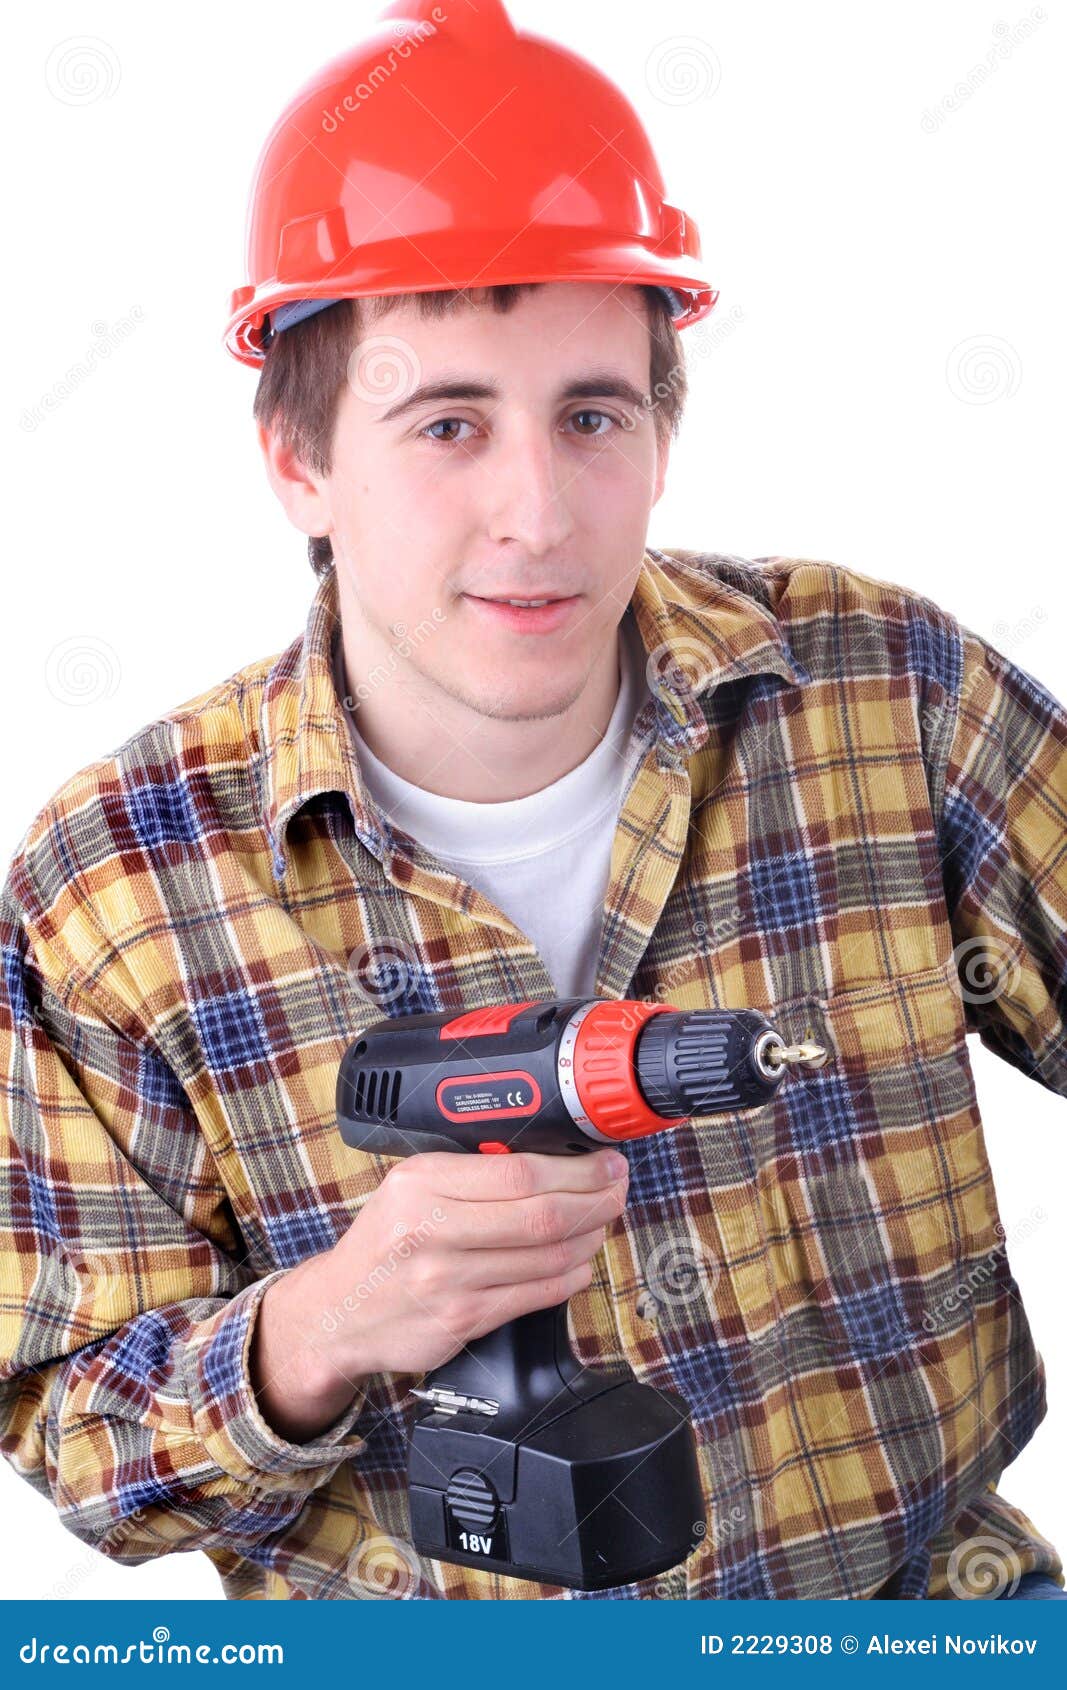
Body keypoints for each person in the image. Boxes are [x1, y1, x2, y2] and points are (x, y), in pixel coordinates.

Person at [1, 0, 1064, 1603]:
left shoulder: (878, 689)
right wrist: (321, 1325)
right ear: (296, 459)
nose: (539, 510)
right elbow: (69, 1423)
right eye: (448, 424)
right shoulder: (114, 886)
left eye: (592, 414)